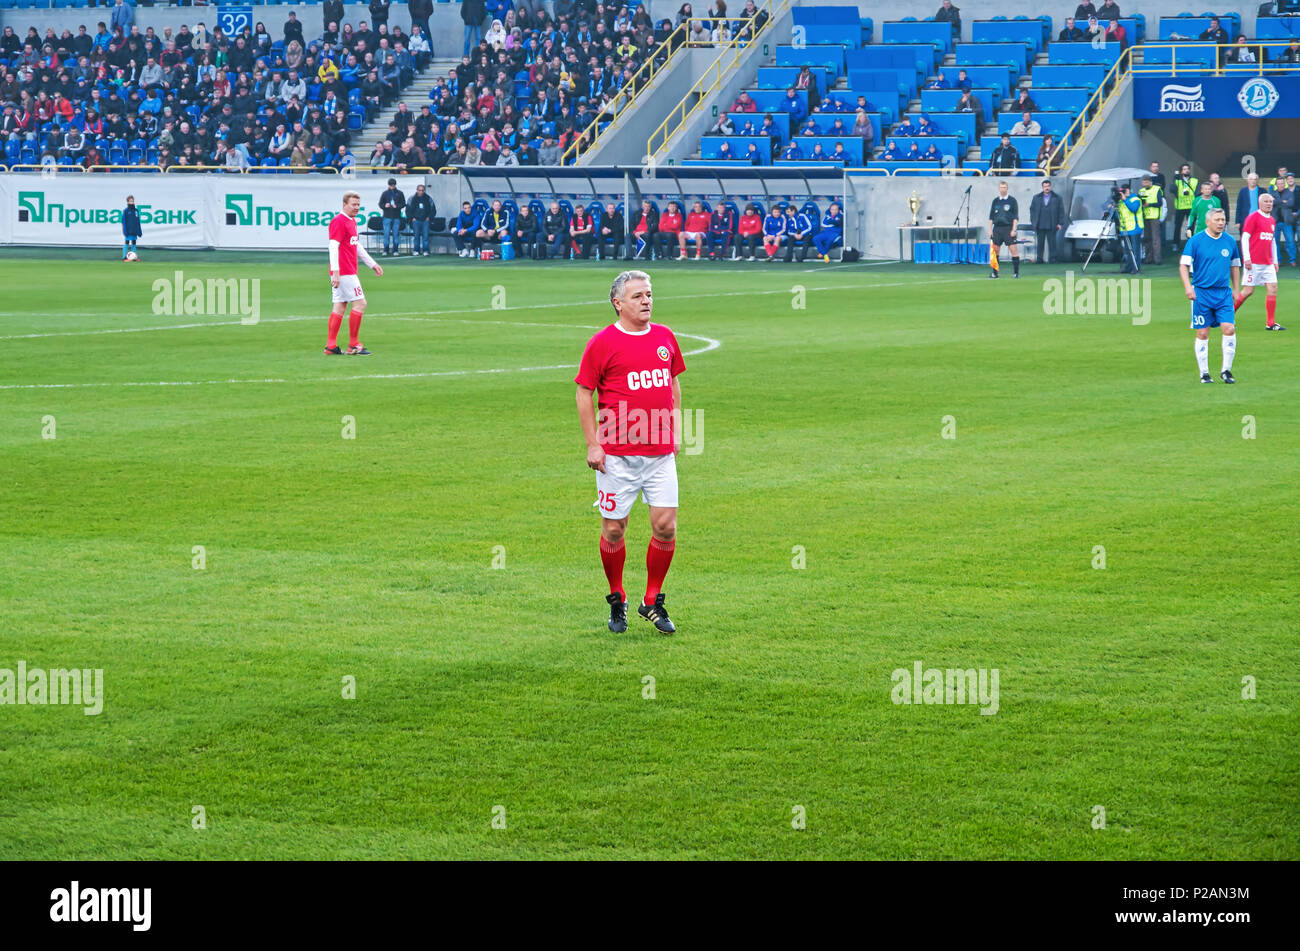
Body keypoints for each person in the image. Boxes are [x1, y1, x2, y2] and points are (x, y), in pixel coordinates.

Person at [574, 270, 685, 634]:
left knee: (665, 527)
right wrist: (593, 443)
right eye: (638, 296)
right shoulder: (603, 343)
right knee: (614, 530)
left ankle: (651, 601)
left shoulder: (665, 337)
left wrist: (678, 429)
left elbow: (672, 384)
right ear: (617, 303)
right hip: (617, 455)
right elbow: (583, 392)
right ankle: (617, 597)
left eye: (649, 294)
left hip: (659, 452)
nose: (647, 301)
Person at [1180, 208, 1241, 383]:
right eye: (1217, 220)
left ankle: (1226, 371)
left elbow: (1235, 266)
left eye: (1223, 220)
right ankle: (1204, 373)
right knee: (1202, 333)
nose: (1221, 223)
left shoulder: (1229, 241)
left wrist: (1236, 289)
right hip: (1201, 294)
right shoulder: (1196, 241)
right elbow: (1183, 265)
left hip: (1223, 294)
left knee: (1229, 328)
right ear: (1208, 222)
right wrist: (1187, 287)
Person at [326, 191, 384, 355]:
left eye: (358, 205)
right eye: (353, 204)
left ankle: (331, 346)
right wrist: (336, 272)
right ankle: (353, 344)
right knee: (360, 303)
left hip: (347, 270)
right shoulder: (339, 221)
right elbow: (333, 246)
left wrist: (372, 263)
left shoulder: (351, 221)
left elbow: (356, 245)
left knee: (340, 306)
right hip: (344, 271)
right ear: (344, 204)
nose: (357, 208)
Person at [1236, 192, 1285, 331]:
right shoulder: (1253, 218)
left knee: (1273, 288)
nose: (1269, 204)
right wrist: (1247, 258)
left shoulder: (1272, 220)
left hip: (1268, 262)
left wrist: (1275, 260)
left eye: (1271, 201)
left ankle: (1270, 323)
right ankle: (1228, 315)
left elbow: (1272, 241)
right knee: (1248, 291)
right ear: (1260, 203)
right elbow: (1245, 238)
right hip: (1254, 262)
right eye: (1266, 201)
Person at [987, 179, 1020, 278]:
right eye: (1001, 187)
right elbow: (991, 217)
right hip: (997, 228)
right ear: (998, 188)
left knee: (1013, 250)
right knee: (995, 251)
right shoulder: (995, 201)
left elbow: (1015, 217)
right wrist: (990, 229)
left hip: (1008, 228)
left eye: (1004, 187)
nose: (1003, 189)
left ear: (1007, 188)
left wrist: (1014, 229)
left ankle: (1016, 273)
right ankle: (995, 273)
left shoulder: (1012, 201)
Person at [1028, 179, 1063, 263]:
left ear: (1050, 187)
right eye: (1045, 186)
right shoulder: (1036, 198)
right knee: (1040, 243)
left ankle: (1053, 258)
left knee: (1052, 243)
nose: (1046, 188)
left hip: (1052, 223)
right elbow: (1032, 210)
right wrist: (1033, 222)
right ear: (1042, 187)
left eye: (1048, 186)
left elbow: (1061, 211)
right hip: (1040, 224)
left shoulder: (1057, 198)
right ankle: (1039, 259)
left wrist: (1060, 223)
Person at [1137, 173, 1165, 265]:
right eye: (1143, 182)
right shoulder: (1141, 191)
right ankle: (1148, 258)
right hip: (1145, 217)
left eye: (1146, 181)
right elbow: (1140, 201)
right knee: (1147, 238)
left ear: (1150, 182)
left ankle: (1157, 259)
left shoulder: (1156, 189)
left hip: (1154, 217)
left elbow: (1160, 203)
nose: (1144, 183)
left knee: (1155, 239)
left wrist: (1149, 204)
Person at [1116, 182, 1143, 273]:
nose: (1124, 192)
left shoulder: (1135, 199)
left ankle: (1136, 267)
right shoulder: (1120, 201)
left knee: (1135, 250)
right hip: (1125, 229)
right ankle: (1128, 267)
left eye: (1125, 191)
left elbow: (1133, 209)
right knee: (1127, 251)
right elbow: (1118, 215)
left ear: (1129, 190)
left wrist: (1125, 200)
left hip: (1135, 228)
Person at [1171, 164, 1198, 251]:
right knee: (1177, 226)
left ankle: (1190, 243)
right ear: (1181, 171)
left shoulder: (1194, 181)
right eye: (1184, 169)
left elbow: (1197, 193)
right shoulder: (1177, 181)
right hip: (1180, 207)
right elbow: (1171, 190)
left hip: (1191, 207)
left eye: (1187, 169)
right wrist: (1174, 178)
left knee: (1190, 226)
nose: (1186, 170)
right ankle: (1176, 243)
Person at [378, 177, 406, 255]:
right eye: (390, 185)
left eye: (393, 185)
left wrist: (397, 206)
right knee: (386, 234)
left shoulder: (400, 193)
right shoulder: (385, 193)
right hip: (387, 216)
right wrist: (385, 205)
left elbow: (403, 204)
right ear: (388, 185)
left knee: (395, 234)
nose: (391, 187)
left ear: (395, 185)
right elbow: (380, 204)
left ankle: (395, 250)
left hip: (396, 217)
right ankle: (385, 250)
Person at [407, 182, 433, 255]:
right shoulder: (411, 198)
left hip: (425, 221)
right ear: (417, 190)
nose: (421, 192)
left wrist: (429, 217)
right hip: (416, 221)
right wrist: (412, 218)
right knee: (416, 237)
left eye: (422, 190)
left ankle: (425, 251)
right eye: (419, 190)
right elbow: (408, 210)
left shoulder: (428, 198)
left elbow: (433, 209)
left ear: (424, 191)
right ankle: (416, 250)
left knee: (425, 237)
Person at [121, 194, 141, 261]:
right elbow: (123, 221)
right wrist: (125, 231)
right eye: (130, 201)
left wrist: (139, 231)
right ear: (127, 202)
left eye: (132, 201)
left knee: (134, 243)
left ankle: (134, 257)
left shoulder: (136, 211)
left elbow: (138, 221)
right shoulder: (126, 211)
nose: (132, 202)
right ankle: (124, 257)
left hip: (134, 230)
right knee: (127, 242)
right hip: (128, 230)